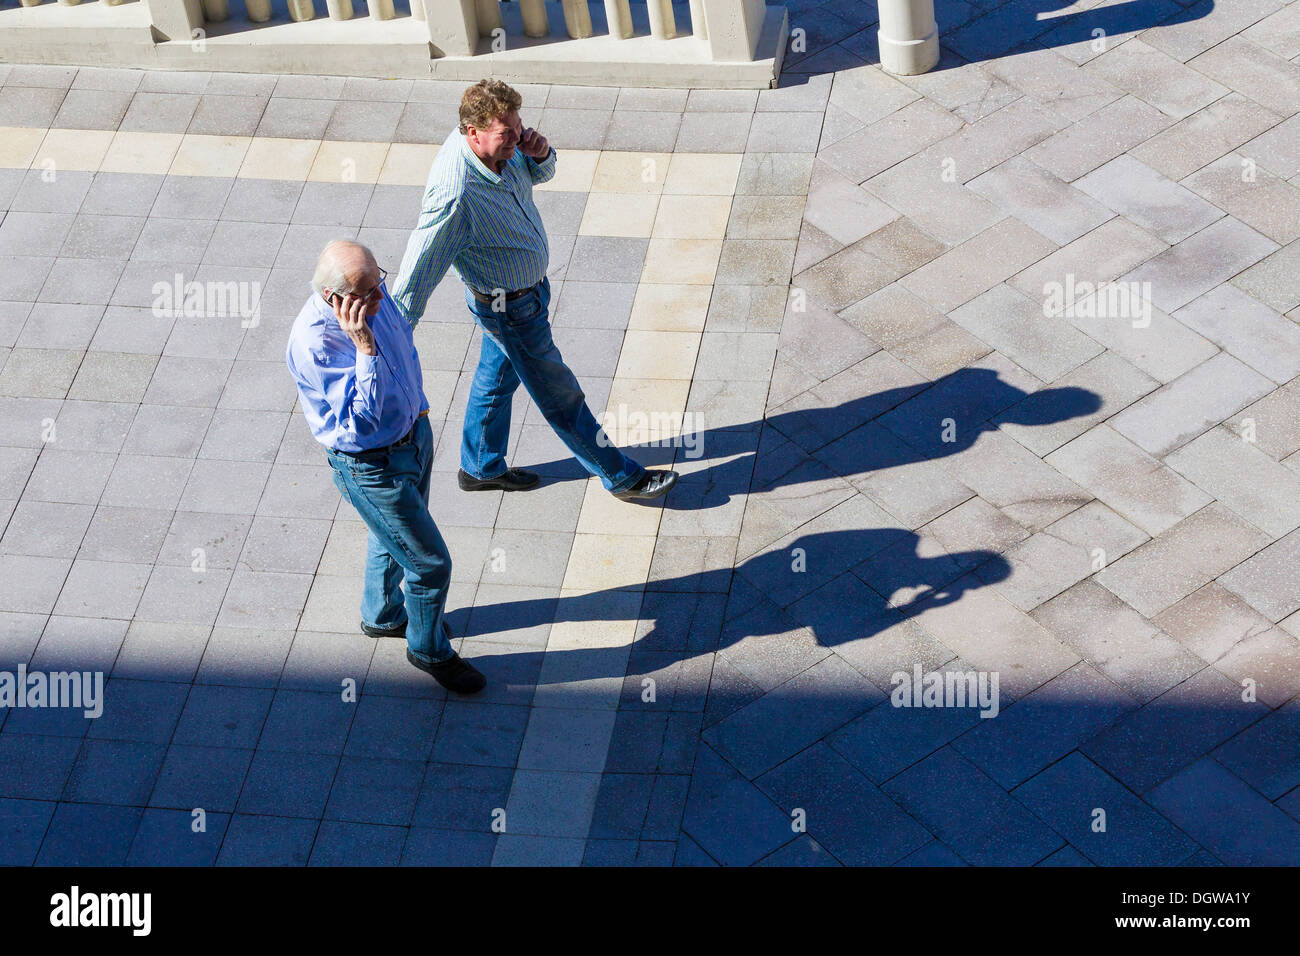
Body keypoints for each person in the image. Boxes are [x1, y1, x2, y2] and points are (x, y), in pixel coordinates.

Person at [391, 78, 677, 501]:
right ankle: (621, 477)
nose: (517, 137)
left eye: (519, 127)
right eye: (507, 133)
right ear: (473, 133)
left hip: (522, 298)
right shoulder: (456, 195)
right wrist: (389, 335)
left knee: (496, 378)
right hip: (509, 309)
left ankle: (480, 466)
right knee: (559, 394)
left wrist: (541, 154)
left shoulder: (502, 150)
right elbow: (419, 267)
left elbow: (538, 174)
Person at [285, 239, 486, 694]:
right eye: (368, 293)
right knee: (430, 563)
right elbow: (363, 418)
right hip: (371, 465)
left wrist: (419, 412)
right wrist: (364, 348)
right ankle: (429, 650)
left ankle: (383, 615)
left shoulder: (374, 293)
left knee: (390, 536)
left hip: (413, 437)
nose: (381, 297)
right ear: (337, 300)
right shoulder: (314, 343)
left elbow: (406, 351)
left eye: (380, 282)